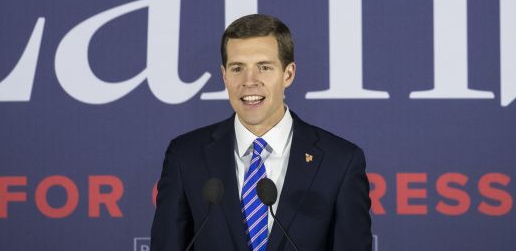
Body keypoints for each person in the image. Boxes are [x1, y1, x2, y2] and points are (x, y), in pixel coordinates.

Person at [151, 14, 372, 251]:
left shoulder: (340, 161)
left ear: (288, 74)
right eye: (237, 68)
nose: (249, 81)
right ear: (224, 76)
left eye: (264, 67)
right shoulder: (185, 157)